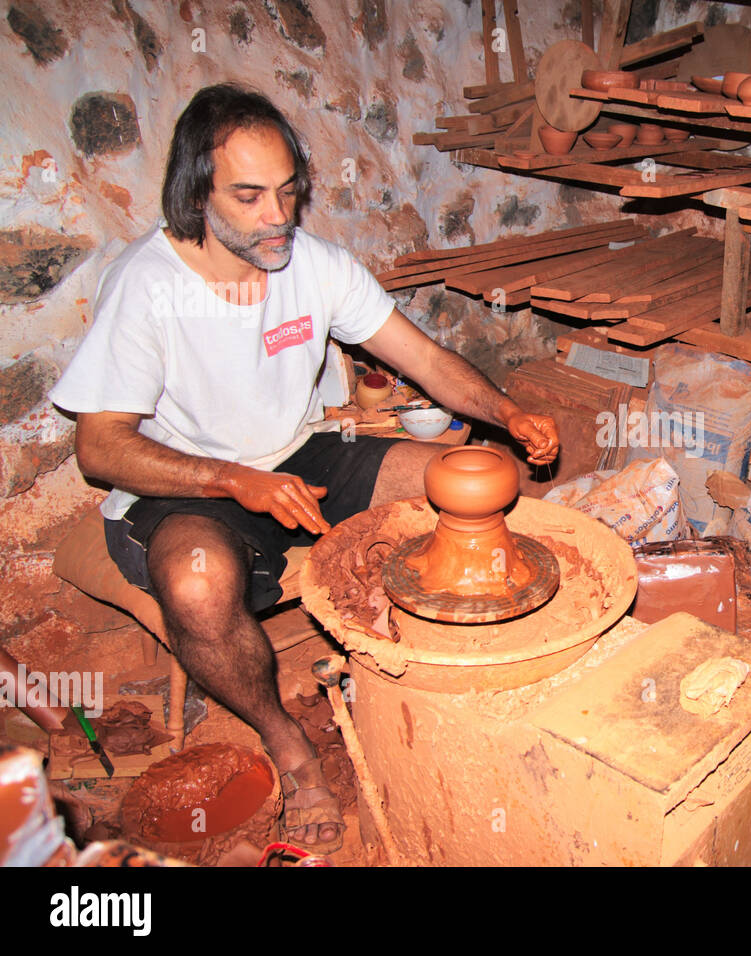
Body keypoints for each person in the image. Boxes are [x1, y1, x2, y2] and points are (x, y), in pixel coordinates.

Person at [49, 83, 559, 854]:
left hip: (302, 452)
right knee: (196, 581)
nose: (278, 216)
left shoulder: (313, 266)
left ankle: (421, 662)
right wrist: (231, 480)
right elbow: (102, 447)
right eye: (249, 196)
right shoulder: (148, 286)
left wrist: (506, 413)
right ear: (196, 194)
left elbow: (420, 358)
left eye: (287, 191)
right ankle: (288, 744)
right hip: (185, 482)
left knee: (469, 477)